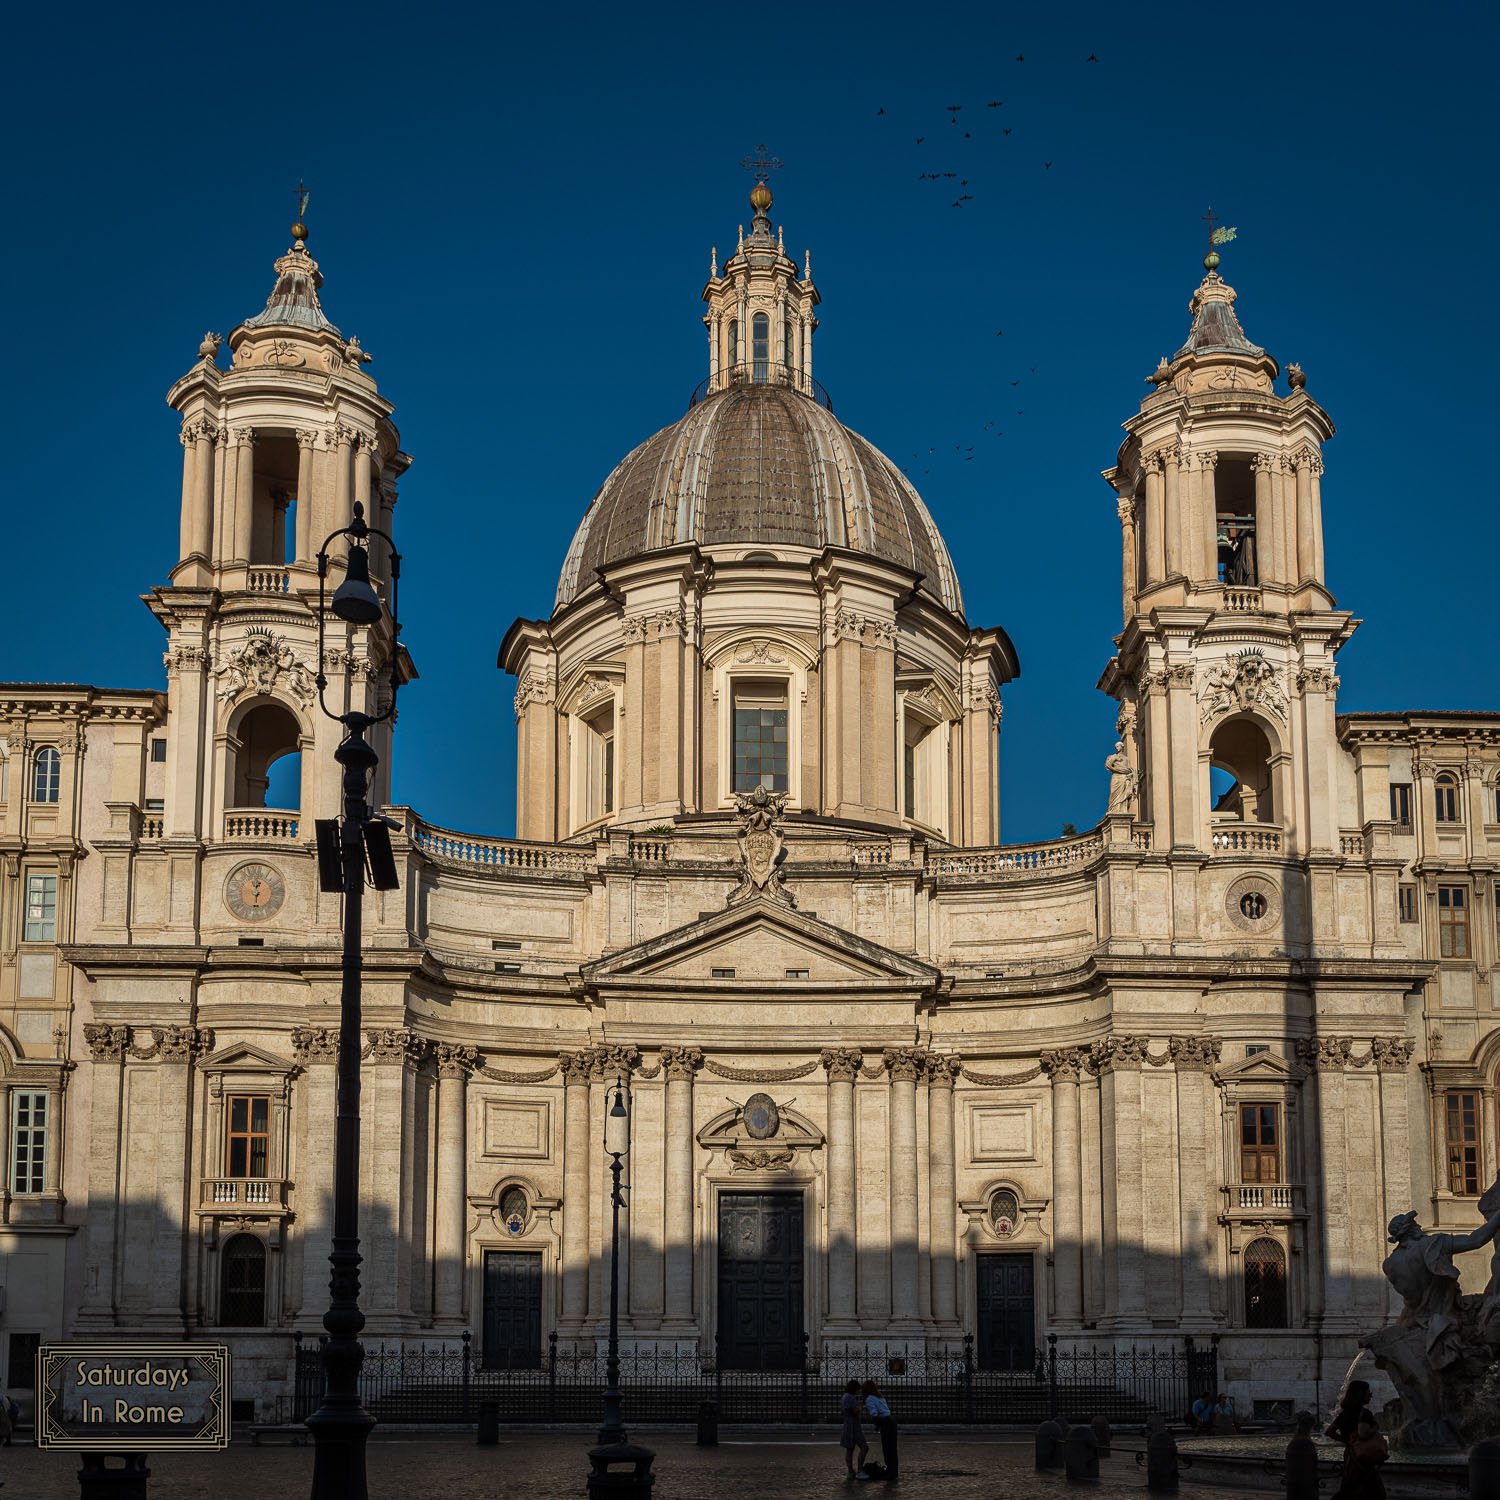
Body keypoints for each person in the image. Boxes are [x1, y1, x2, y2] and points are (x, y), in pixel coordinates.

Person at [1332, 1410, 1388, 1500]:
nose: (1370, 1396)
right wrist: (1375, 1428)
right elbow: (1362, 1434)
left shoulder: (1344, 1414)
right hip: (1361, 1455)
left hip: (1350, 1455)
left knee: (1349, 1488)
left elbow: (1329, 1431)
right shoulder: (1364, 1413)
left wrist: (1347, 1441)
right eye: (1368, 1394)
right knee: (1375, 1491)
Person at [862, 1380, 897, 1481]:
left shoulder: (869, 1399)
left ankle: (890, 1472)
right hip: (891, 1420)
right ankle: (893, 1471)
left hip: (885, 1422)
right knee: (892, 1448)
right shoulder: (880, 1396)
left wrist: (876, 1424)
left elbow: (874, 1414)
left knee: (887, 1447)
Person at [839, 1379, 869, 1480]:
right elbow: (855, 1411)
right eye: (857, 1389)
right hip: (854, 1425)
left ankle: (851, 1471)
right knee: (864, 1447)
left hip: (847, 1425)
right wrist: (861, 1406)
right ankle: (859, 1471)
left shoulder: (844, 1397)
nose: (858, 1391)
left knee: (850, 1449)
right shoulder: (850, 1398)